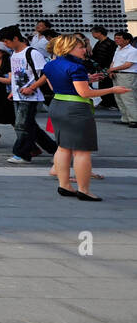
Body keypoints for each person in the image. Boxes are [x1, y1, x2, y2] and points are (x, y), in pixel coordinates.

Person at [36, 33, 130, 201]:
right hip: (76, 109)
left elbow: (54, 85)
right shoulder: (76, 67)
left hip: (58, 105)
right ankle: (84, 190)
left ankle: (64, 185)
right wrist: (112, 90)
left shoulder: (50, 65)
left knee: (63, 147)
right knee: (82, 152)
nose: (84, 50)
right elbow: (85, 92)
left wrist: (85, 79)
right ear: (69, 48)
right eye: (81, 47)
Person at [0, 26, 56, 165]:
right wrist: (13, 91)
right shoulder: (14, 54)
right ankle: (54, 149)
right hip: (18, 95)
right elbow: (17, 76)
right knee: (29, 126)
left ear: (16, 38)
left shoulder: (32, 53)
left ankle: (22, 153)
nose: (5, 44)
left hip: (31, 96)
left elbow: (46, 74)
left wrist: (32, 87)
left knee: (22, 125)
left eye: (6, 41)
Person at [109, 30, 137, 128]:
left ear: (127, 40)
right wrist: (111, 70)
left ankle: (134, 119)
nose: (116, 40)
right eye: (115, 38)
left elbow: (128, 64)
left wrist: (113, 69)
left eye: (119, 38)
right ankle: (125, 118)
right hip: (117, 75)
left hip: (127, 75)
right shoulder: (118, 49)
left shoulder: (133, 51)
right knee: (119, 98)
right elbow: (114, 61)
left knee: (128, 97)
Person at [89, 26, 118, 108]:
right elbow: (94, 55)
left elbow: (112, 57)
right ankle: (105, 102)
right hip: (100, 68)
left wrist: (110, 69)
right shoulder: (99, 43)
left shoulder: (111, 43)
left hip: (107, 68)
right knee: (102, 85)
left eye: (93, 33)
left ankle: (111, 103)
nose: (92, 35)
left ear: (99, 33)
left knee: (108, 85)